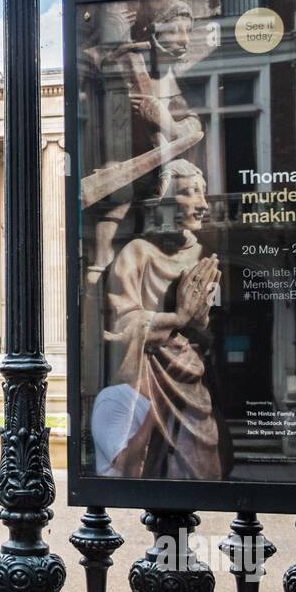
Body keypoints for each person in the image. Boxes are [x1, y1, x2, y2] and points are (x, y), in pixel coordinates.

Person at [100, 159, 223, 480]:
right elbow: (120, 326)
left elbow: (202, 329)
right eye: (189, 194)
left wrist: (198, 319)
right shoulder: (137, 252)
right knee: (150, 465)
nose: (201, 204)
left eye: (202, 193)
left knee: (202, 469)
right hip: (150, 376)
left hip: (189, 377)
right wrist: (178, 316)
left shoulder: (201, 256)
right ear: (165, 201)